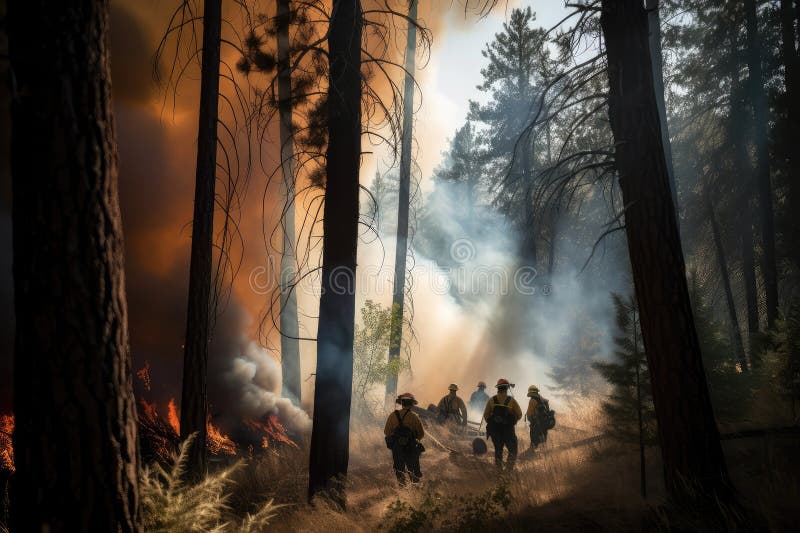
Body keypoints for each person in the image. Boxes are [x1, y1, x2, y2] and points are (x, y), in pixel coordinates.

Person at [384, 392, 425, 486]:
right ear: (411, 404)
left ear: (402, 403)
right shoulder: (414, 417)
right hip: (410, 449)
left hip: (397, 448)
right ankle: (414, 494)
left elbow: (386, 432)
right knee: (413, 473)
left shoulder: (393, 415)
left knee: (399, 471)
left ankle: (402, 492)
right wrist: (414, 438)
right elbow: (421, 434)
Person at [483, 378, 522, 471]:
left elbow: (486, 415)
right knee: (513, 450)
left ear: (498, 388)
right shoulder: (511, 400)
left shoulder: (491, 400)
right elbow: (519, 414)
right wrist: (512, 420)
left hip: (495, 430)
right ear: (507, 388)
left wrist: (494, 422)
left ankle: (499, 471)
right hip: (508, 430)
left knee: (498, 450)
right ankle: (508, 470)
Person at [525, 385, 551, 450]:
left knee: (533, 439)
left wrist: (530, 419)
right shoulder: (542, 399)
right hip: (544, 422)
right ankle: (543, 453)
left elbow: (529, 413)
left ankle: (532, 452)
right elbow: (547, 410)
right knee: (542, 438)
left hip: (535, 423)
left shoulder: (532, 400)